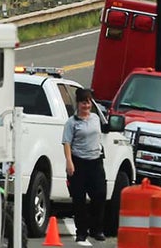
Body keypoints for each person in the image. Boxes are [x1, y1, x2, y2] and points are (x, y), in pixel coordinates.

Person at [62, 88, 106, 245]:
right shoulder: (72, 122)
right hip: (79, 163)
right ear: (78, 103)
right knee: (79, 199)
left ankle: (97, 229)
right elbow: (66, 142)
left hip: (95, 162)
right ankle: (81, 232)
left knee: (100, 195)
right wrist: (69, 162)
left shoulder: (95, 118)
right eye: (83, 102)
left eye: (88, 102)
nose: (86, 105)